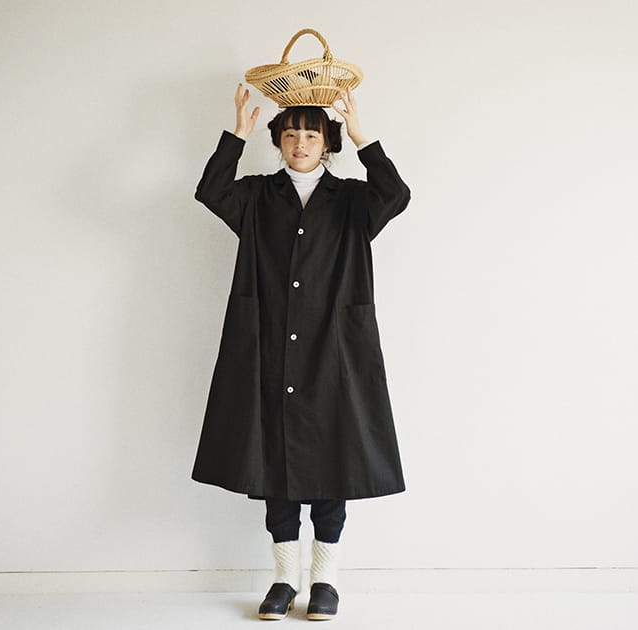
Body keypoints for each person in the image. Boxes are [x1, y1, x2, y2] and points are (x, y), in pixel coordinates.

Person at [192, 83, 411, 621]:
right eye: (290, 135)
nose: (300, 144)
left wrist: (360, 134)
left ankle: (325, 581)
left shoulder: (354, 200)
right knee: (275, 462)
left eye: (311, 135)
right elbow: (211, 191)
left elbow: (397, 194)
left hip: (335, 350)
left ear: (327, 143)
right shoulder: (256, 196)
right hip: (270, 343)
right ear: (278, 142)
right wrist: (237, 134)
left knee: (335, 460)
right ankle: (284, 580)